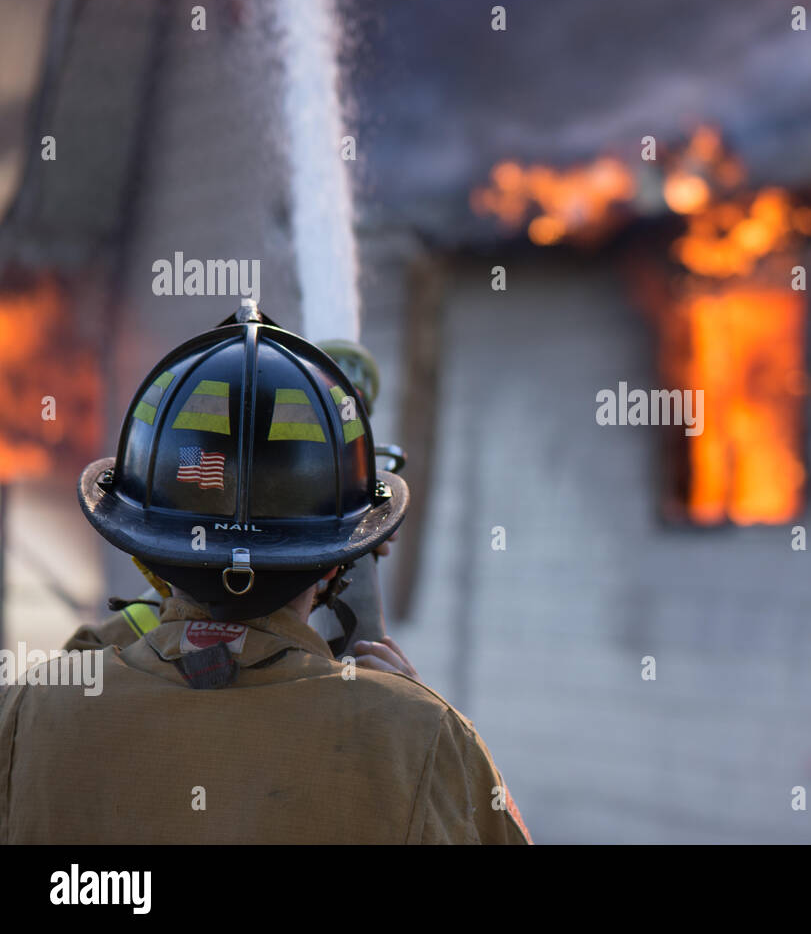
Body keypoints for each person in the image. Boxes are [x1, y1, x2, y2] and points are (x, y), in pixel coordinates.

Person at [0, 307, 531, 844]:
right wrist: (409, 740)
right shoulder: (423, 741)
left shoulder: (28, 717)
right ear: (334, 565)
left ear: (143, 550)